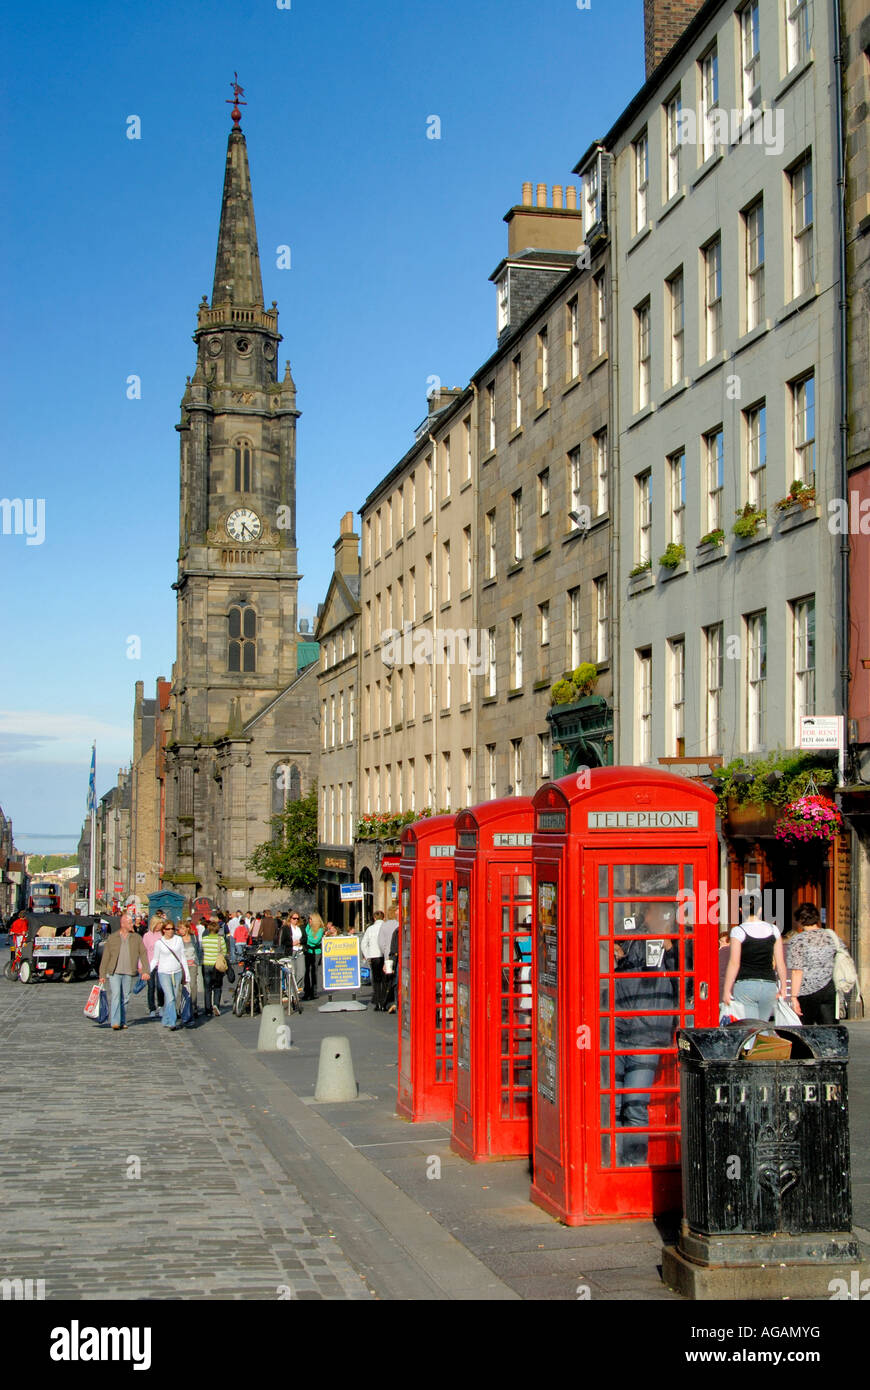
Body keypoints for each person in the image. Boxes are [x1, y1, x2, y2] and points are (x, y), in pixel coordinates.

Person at [613, 900, 679, 1165]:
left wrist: (669, 947)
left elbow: (686, 980)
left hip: (648, 1035)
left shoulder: (672, 948)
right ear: (646, 913)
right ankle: (614, 1161)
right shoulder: (629, 937)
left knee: (635, 1104)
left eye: (669, 914)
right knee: (614, 1107)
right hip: (617, 1031)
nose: (665, 918)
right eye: (660, 912)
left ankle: (634, 1165)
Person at [722, 895, 787, 1022]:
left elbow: (734, 963)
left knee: (750, 1027)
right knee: (762, 1024)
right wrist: (783, 986)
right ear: (760, 910)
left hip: (746, 984)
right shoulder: (773, 930)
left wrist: (726, 989)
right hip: (768, 984)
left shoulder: (738, 931)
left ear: (741, 910)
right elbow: (780, 963)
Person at [787, 902, 846, 1024]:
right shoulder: (831, 936)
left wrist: (793, 997)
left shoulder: (798, 940)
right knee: (829, 1031)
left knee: (806, 1032)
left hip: (807, 991)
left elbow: (797, 971)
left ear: (800, 921)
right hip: (829, 987)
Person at [100, 912, 151, 1030]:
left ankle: (122, 1020)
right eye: (129, 922)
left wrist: (145, 970)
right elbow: (106, 957)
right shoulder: (113, 938)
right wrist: (102, 974)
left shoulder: (136, 937)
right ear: (122, 924)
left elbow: (143, 954)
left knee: (126, 997)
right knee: (116, 995)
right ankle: (115, 1022)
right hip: (114, 972)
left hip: (129, 971)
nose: (132, 924)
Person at [147, 921, 190, 1030]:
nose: (170, 931)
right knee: (170, 997)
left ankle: (166, 1019)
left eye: (172, 929)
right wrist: (148, 971)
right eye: (168, 929)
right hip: (164, 972)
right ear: (163, 930)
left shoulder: (178, 940)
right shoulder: (159, 943)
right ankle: (172, 1021)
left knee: (173, 997)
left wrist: (187, 974)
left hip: (177, 972)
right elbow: (155, 959)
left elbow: (182, 957)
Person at [199, 918, 230, 1017]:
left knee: (207, 987)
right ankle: (216, 1005)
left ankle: (207, 1009)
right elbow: (224, 952)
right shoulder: (220, 939)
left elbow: (201, 950)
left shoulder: (205, 939)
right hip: (217, 965)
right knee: (217, 986)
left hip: (206, 964)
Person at [177, 921, 203, 1023]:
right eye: (179, 929)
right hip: (181, 966)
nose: (181, 930)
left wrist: (197, 962)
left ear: (187, 928)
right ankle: (181, 1008)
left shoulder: (193, 938)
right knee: (181, 987)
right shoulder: (178, 939)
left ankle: (193, 1007)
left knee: (192, 986)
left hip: (192, 965)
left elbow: (198, 950)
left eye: (182, 928)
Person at [361, 911, 386, 1010]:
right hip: (385, 956)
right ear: (383, 918)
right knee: (385, 979)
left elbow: (363, 944)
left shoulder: (370, 929)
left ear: (374, 918)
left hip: (374, 957)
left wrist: (367, 956)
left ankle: (377, 1001)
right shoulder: (385, 927)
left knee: (376, 980)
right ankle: (384, 1001)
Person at [142, 916, 166, 1017]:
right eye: (159, 923)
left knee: (161, 987)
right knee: (151, 987)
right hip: (150, 965)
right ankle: (152, 1008)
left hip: (161, 964)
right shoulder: (147, 936)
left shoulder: (163, 935)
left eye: (161, 923)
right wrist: (142, 966)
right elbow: (143, 951)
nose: (160, 925)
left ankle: (161, 1006)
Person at [302, 912, 325, 1000]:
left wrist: (308, 938)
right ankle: (307, 991)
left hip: (316, 952)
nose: (309, 921)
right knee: (307, 971)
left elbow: (316, 941)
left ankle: (314, 991)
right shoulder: (308, 927)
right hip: (308, 951)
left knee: (313, 971)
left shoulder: (320, 929)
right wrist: (310, 938)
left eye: (311, 919)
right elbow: (306, 935)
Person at [384, 921, 400, 1013]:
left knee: (397, 983)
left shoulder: (398, 931)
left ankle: (397, 1004)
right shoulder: (397, 931)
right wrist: (392, 964)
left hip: (403, 961)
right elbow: (393, 950)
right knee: (396, 983)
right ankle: (397, 1004)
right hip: (400, 961)